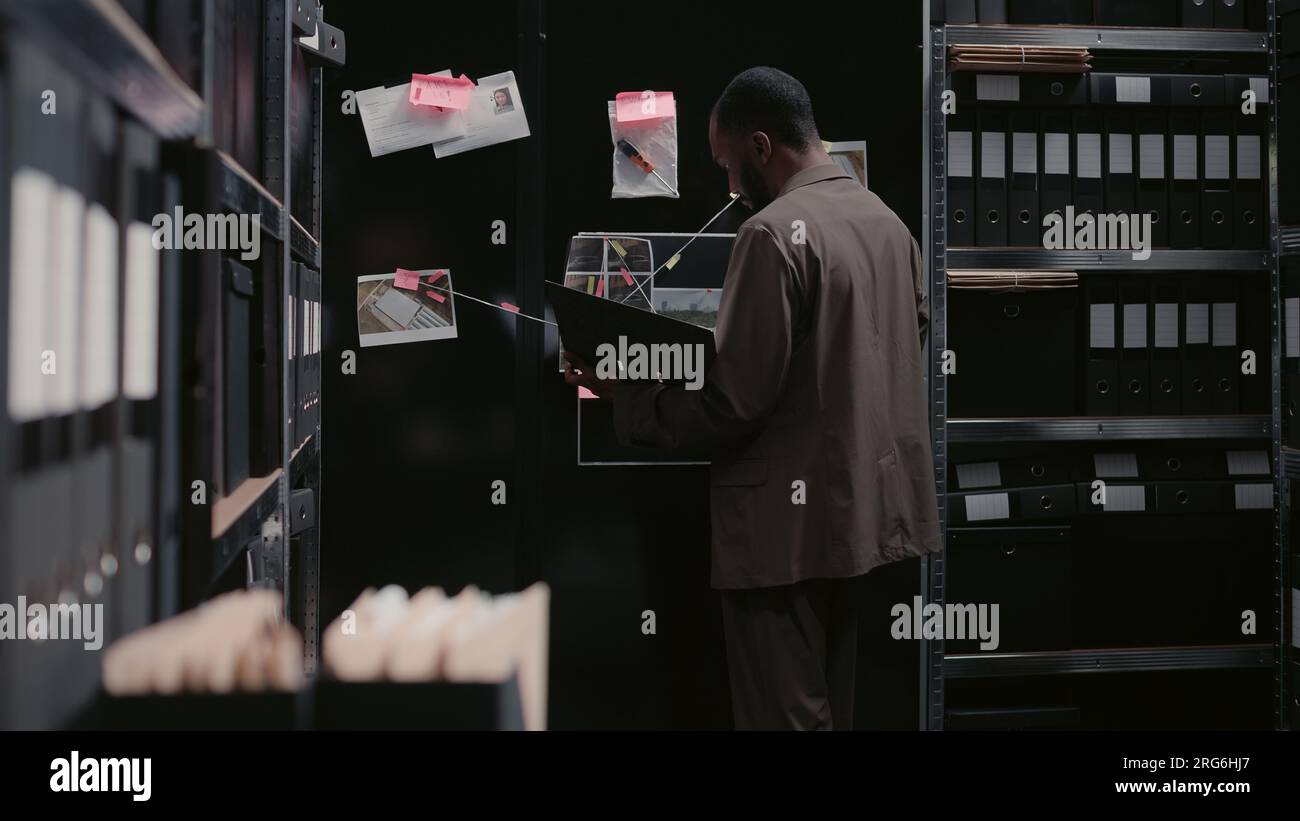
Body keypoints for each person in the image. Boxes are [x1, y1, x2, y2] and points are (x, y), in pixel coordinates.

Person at [563, 66, 941, 730]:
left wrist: (625, 393)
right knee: (838, 709)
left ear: (762, 146)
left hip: (783, 538)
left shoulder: (771, 235)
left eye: (731, 165)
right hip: (866, 524)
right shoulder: (889, 225)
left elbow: (734, 400)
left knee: (785, 719)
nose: (731, 187)